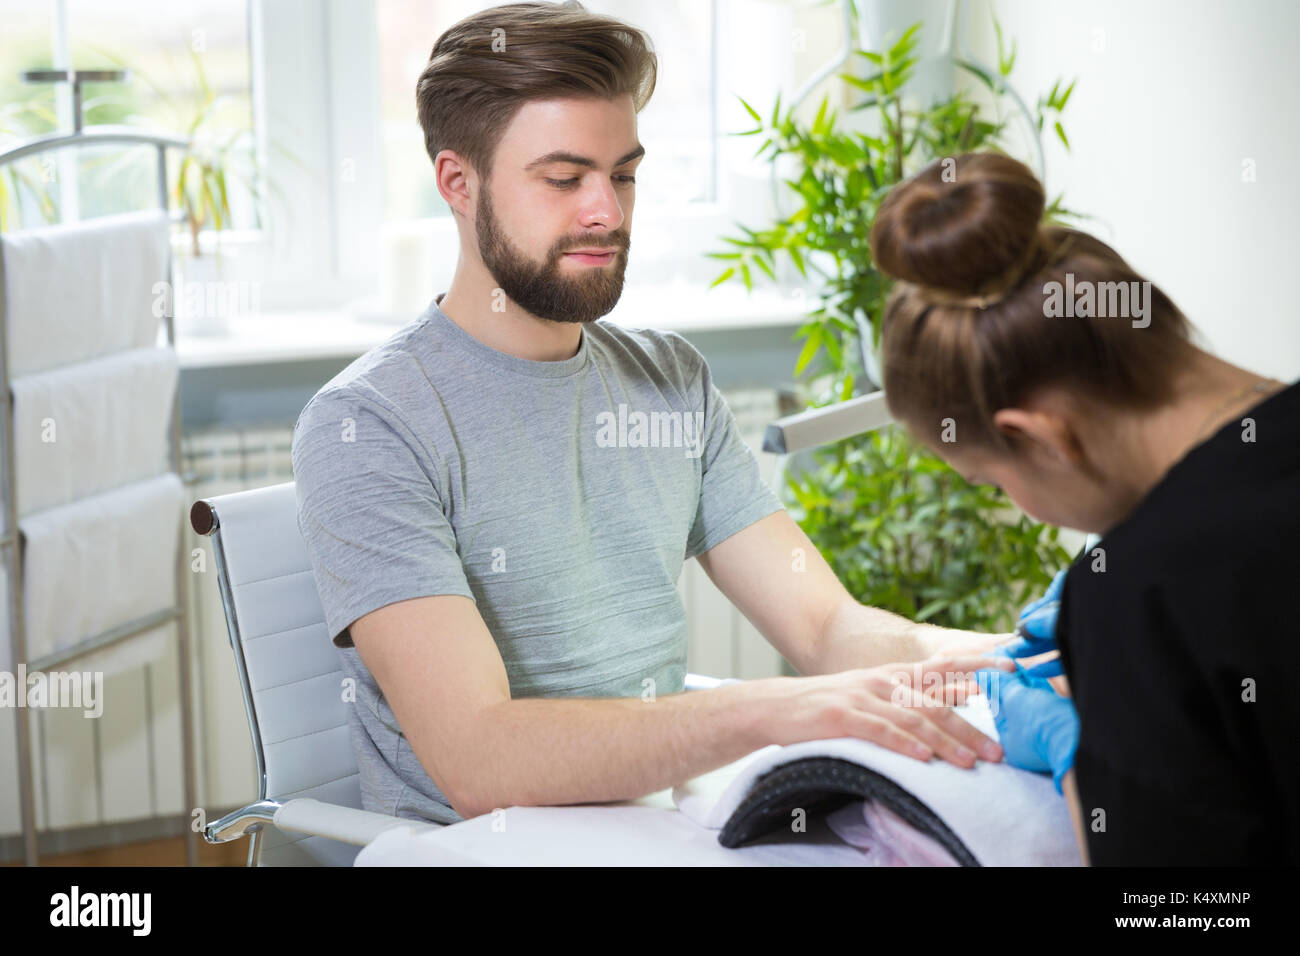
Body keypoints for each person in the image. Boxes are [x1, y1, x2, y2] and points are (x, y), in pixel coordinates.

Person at [291, 1, 1014, 826]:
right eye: (564, 179)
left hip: (655, 830)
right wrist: (769, 710)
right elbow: (479, 758)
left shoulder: (670, 381)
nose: (607, 211)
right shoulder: (369, 425)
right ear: (459, 183)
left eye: (623, 174)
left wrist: (1009, 659)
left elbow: (826, 627)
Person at [867, 150, 1300, 865]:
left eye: (992, 482)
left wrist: (1082, 758)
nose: (1020, 507)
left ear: (1038, 437)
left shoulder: (1143, 594)